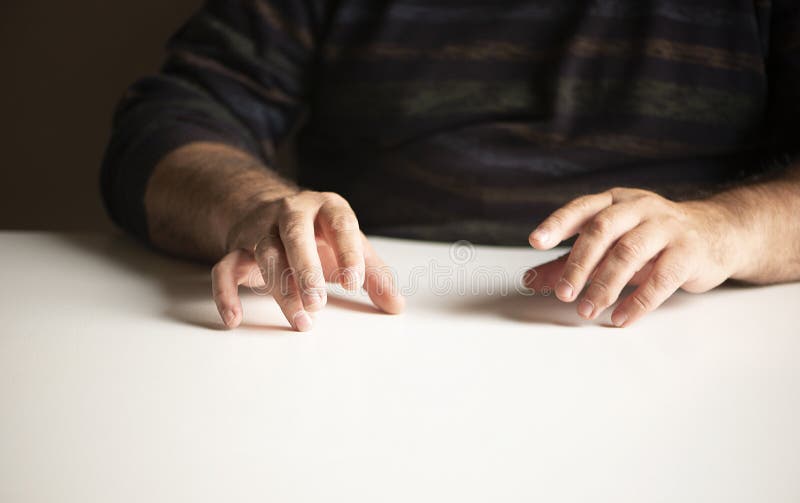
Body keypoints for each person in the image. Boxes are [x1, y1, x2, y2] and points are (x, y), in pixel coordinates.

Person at [102, 0, 800, 332]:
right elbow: (167, 123)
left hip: (688, 335)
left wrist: (728, 228)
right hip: (361, 328)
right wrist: (250, 207)